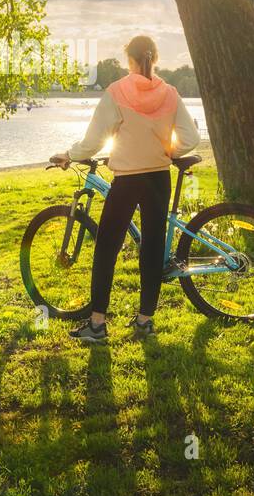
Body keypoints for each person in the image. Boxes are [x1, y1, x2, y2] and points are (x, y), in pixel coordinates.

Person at [49, 35, 201, 342]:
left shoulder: (117, 91)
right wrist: (166, 151)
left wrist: (70, 154)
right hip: (159, 177)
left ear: (129, 60)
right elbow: (191, 137)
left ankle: (97, 324)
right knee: (153, 247)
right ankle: (144, 321)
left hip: (128, 179)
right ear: (154, 59)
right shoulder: (170, 93)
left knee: (107, 247)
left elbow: (92, 141)